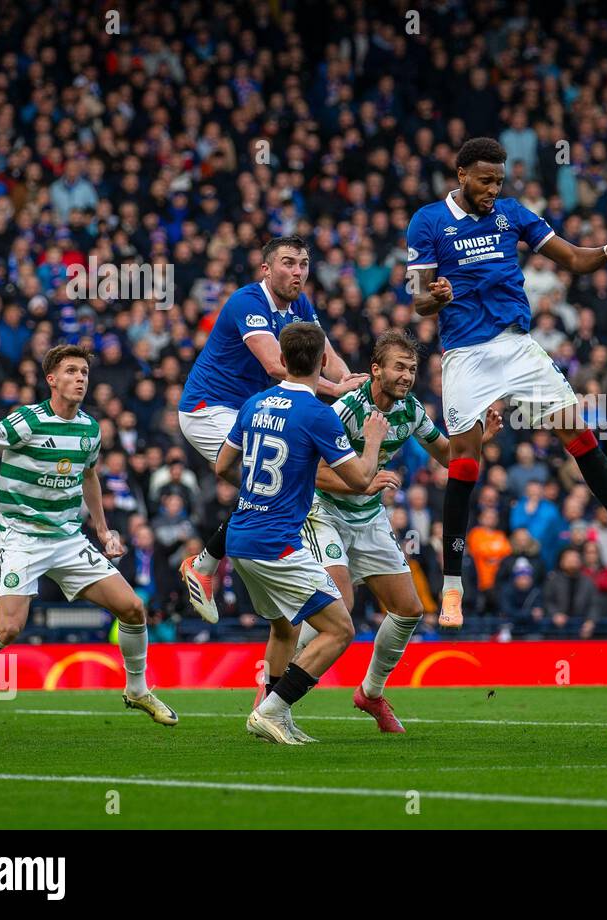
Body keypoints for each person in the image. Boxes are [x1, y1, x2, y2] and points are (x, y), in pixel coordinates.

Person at [407, 136, 607, 631]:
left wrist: (603, 251)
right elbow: (418, 302)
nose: (493, 189)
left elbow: (572, 258)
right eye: (484, 180)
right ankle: (452, 589)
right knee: (465, 463)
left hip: (518, 346)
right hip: (467, 354)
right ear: (461, 176)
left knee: (579, 435)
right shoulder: (429, 221)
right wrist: (438, 296)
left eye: (498, 180)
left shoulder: (512, 214)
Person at [0, 346, 176, 736]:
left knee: (133, 608)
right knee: (8, 629)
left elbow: (89, 476)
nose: (81, 378)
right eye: (71, 371)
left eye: (84, 371)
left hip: (68, 540)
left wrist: (103, 530)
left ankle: (137, 690)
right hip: (22, 539)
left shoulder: (90, 428)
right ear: (51, 380)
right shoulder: (26, 421)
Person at [298, 330, 499, 733]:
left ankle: (370, 693)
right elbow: (311, 471)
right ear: (376, 370)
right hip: (325, 512)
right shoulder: (345, 410)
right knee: (338, 605)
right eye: (399, 368)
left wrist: (481, 435)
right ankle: (274, 690)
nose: (407, 376)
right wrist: (361, 482)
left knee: (408, 610)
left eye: (412, 368)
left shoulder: (412, 412)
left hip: (367, 516)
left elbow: (447, 456)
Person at [177, 236, 365, 623]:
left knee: (268, 486)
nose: (297, 271)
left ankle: (225, 568)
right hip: (208, 409)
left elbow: (324, 353)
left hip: (253, 410)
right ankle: (207, 564)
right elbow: (276, 367)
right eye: (288, 263)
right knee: (275, 482)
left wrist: (351, 385)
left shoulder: (300, 305)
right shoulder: (248, 301)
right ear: (266, 269)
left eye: (303, 264)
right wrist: (334, 390)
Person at [215, 323, 386, 745]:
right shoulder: (317, 414)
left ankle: (274, 715)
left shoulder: (254, 404)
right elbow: (361, 479)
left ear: (284, 360)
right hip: (276, 544)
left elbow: (221, 466)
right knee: (340, 629)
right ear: (323, 362)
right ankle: (272, 710)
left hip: (239, 538)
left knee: (284, 630)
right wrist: (372, 440)